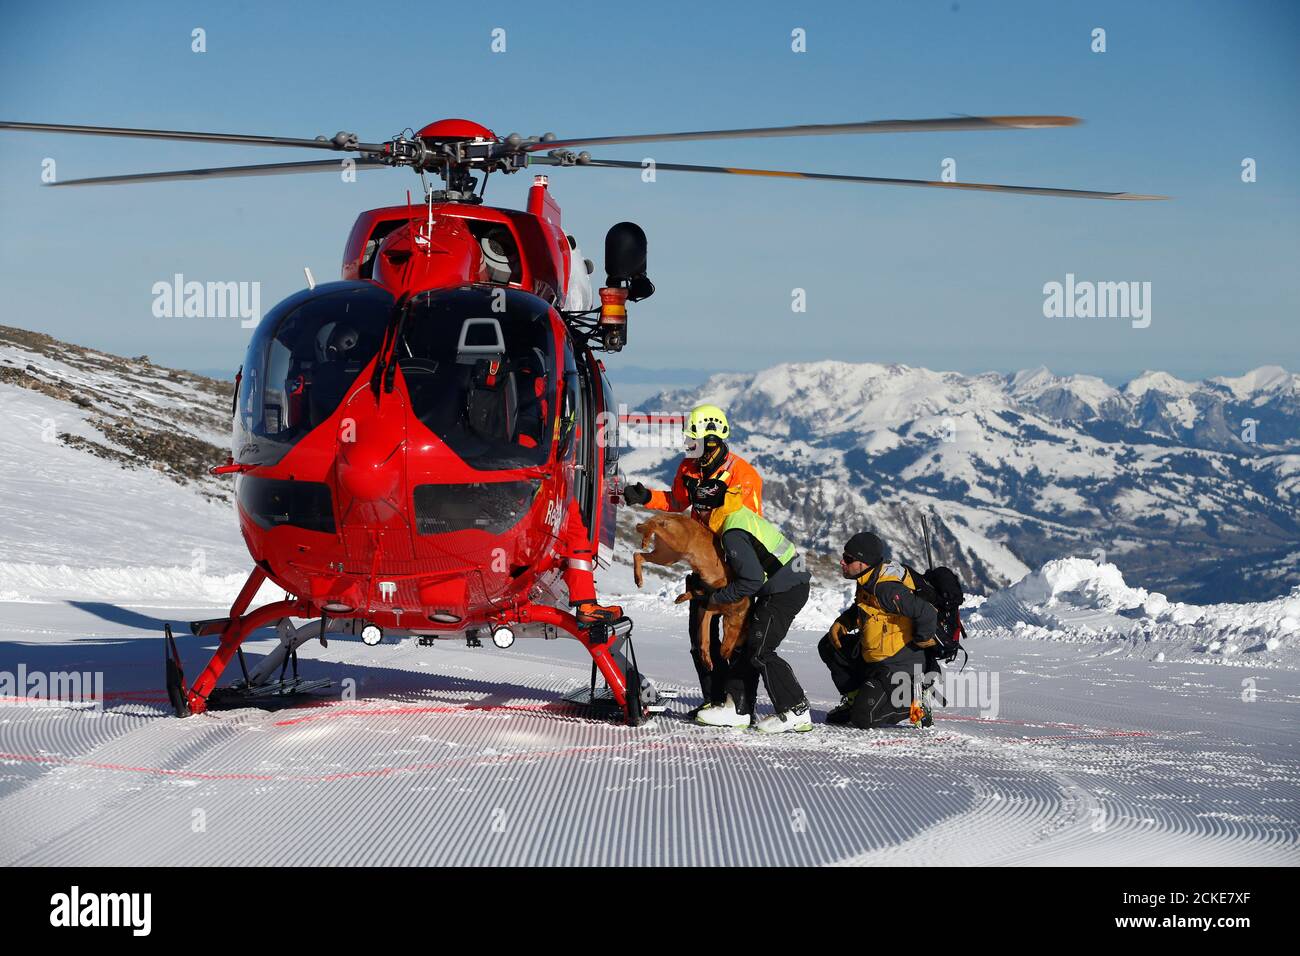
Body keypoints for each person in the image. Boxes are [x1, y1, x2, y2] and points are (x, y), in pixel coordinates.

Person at [622, 404, 762, 717]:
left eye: (696, 443)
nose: (691, 448)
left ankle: (738, 704)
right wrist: (645, 498)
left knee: (735, 635)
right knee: (700, 636)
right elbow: (676, 501)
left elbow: (751, 521)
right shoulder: (689, 469)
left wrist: (720, 499)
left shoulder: (743, 474)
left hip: (735, 567)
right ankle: (713, 700)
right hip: (703, 565)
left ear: (713, 441)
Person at [685, 479, 813, 734]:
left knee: (761, 650)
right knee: (745, 645)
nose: (698, 514)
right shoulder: (737, 513)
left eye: (700, 509)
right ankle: (738, 709)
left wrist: (718, 598)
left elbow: (752, 580)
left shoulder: (732, 532)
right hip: (784, 583)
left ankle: (796, 709)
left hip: (786, 590)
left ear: (709, 509)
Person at [819, 532, 939, 728]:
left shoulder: (886, 589)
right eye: (844, 556)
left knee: (862, 718)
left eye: (848, 559)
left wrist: (922, 639)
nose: (842, 562)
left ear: (864, 563)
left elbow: (926, 612)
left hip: (897, 665)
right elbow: (866, 607)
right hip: (874, 655)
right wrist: (844, 622)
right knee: (828, 644)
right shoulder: (866, 579)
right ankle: (854, 698)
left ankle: (915, 701)